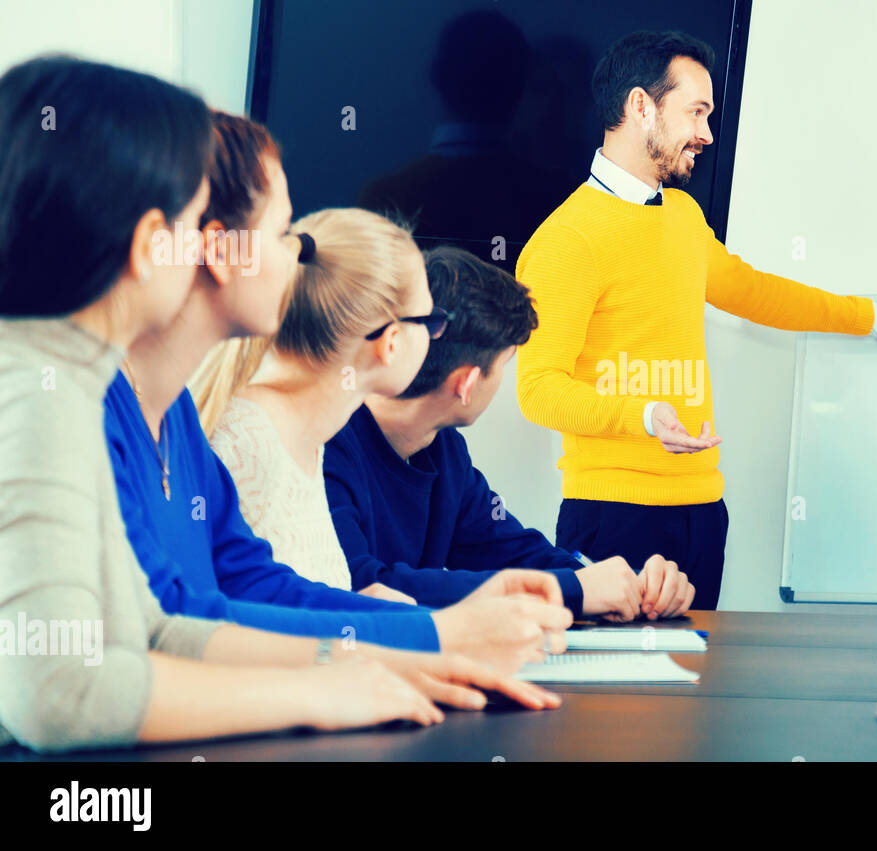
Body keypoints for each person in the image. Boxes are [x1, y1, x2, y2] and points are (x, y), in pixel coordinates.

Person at [0, 57, 554, 753]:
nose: (219, 247)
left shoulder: (78, 387)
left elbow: (164, 624)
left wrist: (393, 657)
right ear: (151, 245)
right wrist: (327, 688)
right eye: (197, 219)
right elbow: (61, 695)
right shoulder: (39, 393)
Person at [113, 111, 567, 663]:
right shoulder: (131, 414)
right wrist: (420, 645)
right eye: (280, 233)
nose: (296, 256)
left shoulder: (179, 414)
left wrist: (437, 630)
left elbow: (249, 585)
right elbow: (166, 635)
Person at [515, 30, 877, 610]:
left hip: (702, 514)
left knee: (696, 693)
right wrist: (642, 416)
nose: (706, 134)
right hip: (614, 520)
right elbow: (539, 391)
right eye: (696, 111)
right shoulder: (566, 239)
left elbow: (755, 293)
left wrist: (870, 316)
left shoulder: (684, 216)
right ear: (641, 106)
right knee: (619, 700)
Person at [192, 205, 573, 669]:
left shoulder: (307, 434)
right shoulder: (254, 437)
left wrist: (400, 618)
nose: (438, 341)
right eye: (430, 324)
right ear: (391, 342)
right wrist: (435, 633)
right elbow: (227, 627)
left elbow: (281, 596)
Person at [326, 246, 696, 623]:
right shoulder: (326, 443)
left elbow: (513, 551)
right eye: (505, 364)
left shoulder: (443, 450)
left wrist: (631, 585)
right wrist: (573, 591)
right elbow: (360, 585)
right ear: (467, 384)